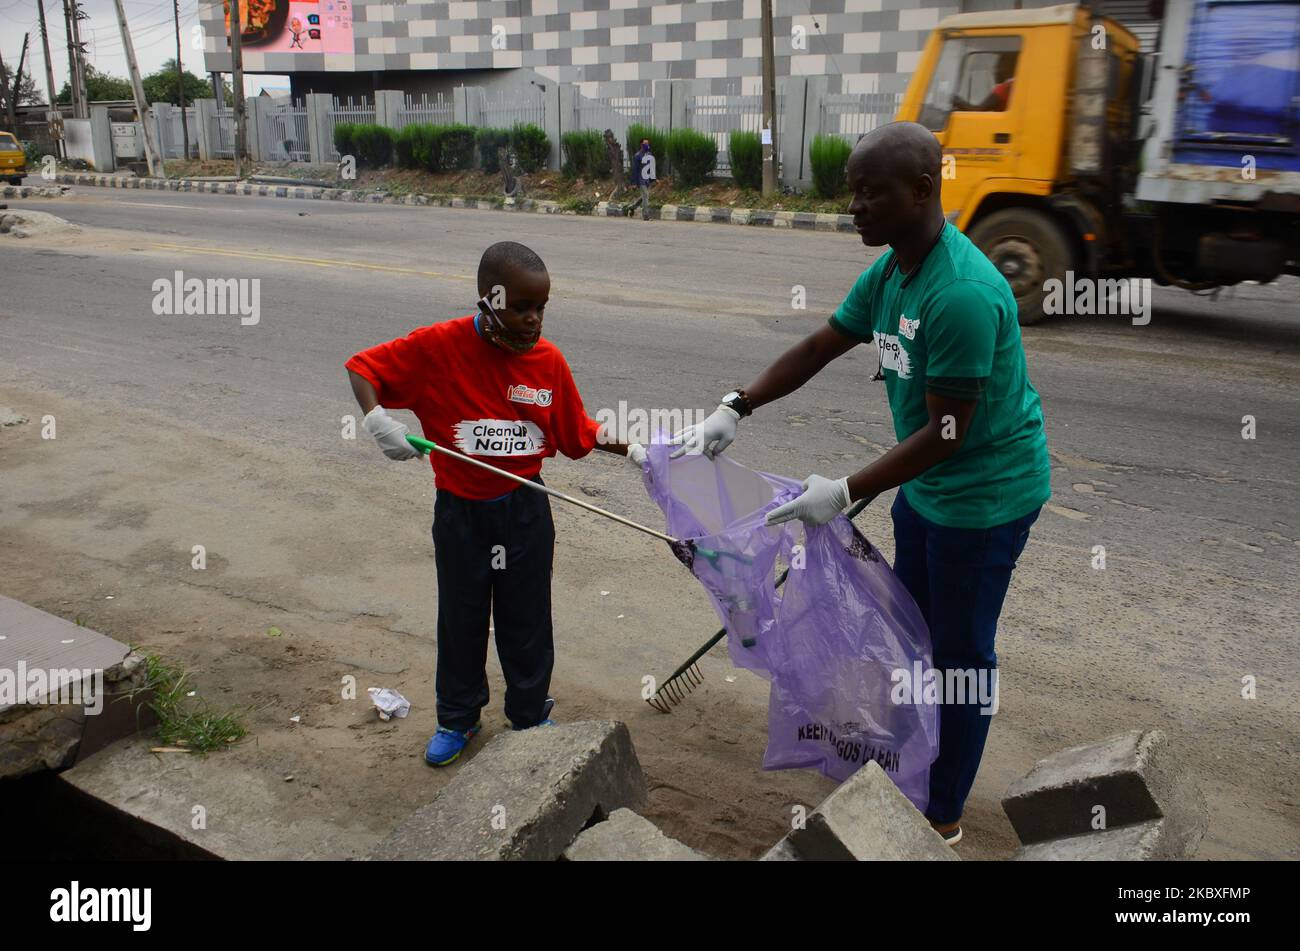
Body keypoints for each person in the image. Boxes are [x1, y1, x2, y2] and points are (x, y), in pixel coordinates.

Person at [670, 122, 1050, 845]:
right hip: (927, 490)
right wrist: (738, 403)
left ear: (921, 191)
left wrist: (842, 490)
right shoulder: (893, 270)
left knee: (961, 654)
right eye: (853, 191)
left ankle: (939, 814)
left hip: (983, 499)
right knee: (914, 638)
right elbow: (822, 343)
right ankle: (913, 764)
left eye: (870, 192)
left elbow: (947, 435)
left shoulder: (962, 293)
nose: (855, 206)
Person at [345, 241, 644, 766]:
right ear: (489, 299)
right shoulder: (438, 347)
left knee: (526, 620)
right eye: (522, 308)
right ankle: (457, 718)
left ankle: (529, 714)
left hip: (525, 511)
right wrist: (376, 422)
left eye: (542, 308)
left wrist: (633, 447)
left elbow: (576, 433)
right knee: (460, 620)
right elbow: (362, 369)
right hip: (461, 513)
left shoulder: (547, 362)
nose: (533, 321)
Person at [624, 139, 656, 220]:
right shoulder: (637, 156)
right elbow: (635, 170)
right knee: (646, 195)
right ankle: (646, 216)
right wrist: (634, 183)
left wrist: (653, 179)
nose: (647, 144)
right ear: (641, 145)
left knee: (644, 197)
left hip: (647, 179)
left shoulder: (649, 154)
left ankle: (632, 207)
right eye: (645, 143)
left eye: (648, 143)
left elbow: (651, 167)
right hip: (640, 179)